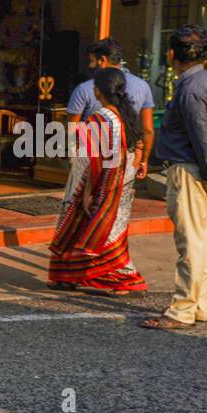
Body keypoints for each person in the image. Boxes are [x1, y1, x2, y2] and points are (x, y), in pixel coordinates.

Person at [141, 26, 207, 330]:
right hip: (205, 169)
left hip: (188, 169)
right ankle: (199, 304)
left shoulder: (189, 88)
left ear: (171, 54)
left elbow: (201, 137)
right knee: (202, 241)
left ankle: (181, 309)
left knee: (189, 242)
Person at [47, 68, 148, 296]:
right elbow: (139, 145)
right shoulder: (127, 116)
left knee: (85, 228)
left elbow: (92, 159)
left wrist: (87, 191)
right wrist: (129, 171)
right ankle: (73, 277)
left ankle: (116, 278)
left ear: (97, 91)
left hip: (98, 184)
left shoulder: (99, 118)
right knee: (111, 230)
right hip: (120, 185)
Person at [66, 37, 155, 175]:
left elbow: (73, 128)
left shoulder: (85, 89)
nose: (90, 66)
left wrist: (73, 157)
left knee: (87, 194)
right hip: (127, 159)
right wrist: (144, 160)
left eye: (92, 61)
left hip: (91, 158)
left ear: (102, 60)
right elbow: (148, 129)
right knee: (119, 195)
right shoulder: (142, 86)